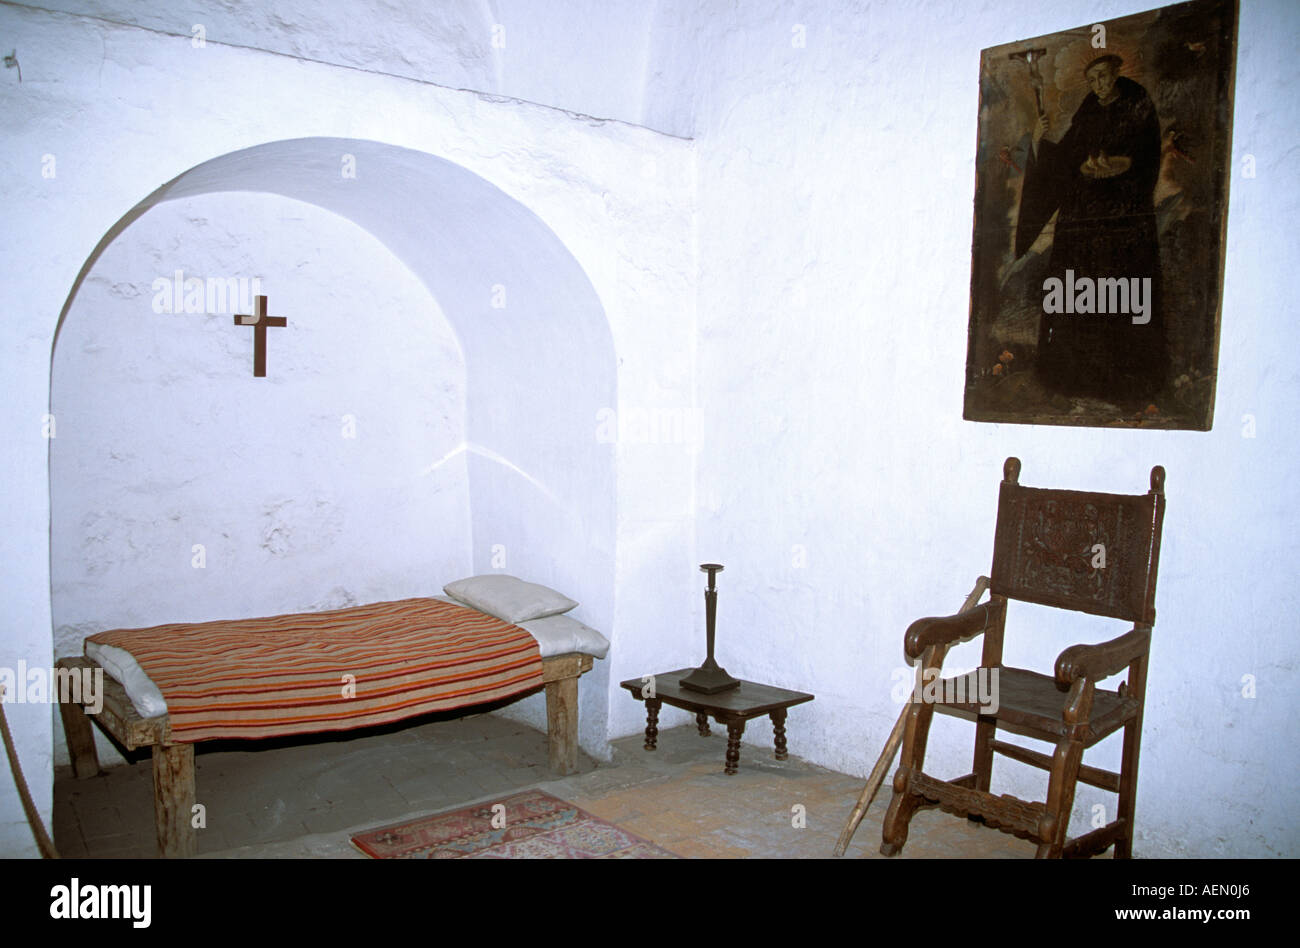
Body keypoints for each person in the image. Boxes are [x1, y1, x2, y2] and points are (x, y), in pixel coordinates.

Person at [1015, 54, 1167, 401]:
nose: (1098, 85)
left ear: (1116, 70)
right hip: (1083, 219)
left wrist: (1122, 167)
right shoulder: (1089, 109)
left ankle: (1121, 378)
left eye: (1102, 76)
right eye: (1092, 80)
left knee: (1120, 295)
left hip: (1121, 219)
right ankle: (1074, 376)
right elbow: (1068, 156)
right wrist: (1040, 140)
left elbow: (1146, 157)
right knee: (1075, 291)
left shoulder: (1137, 103)